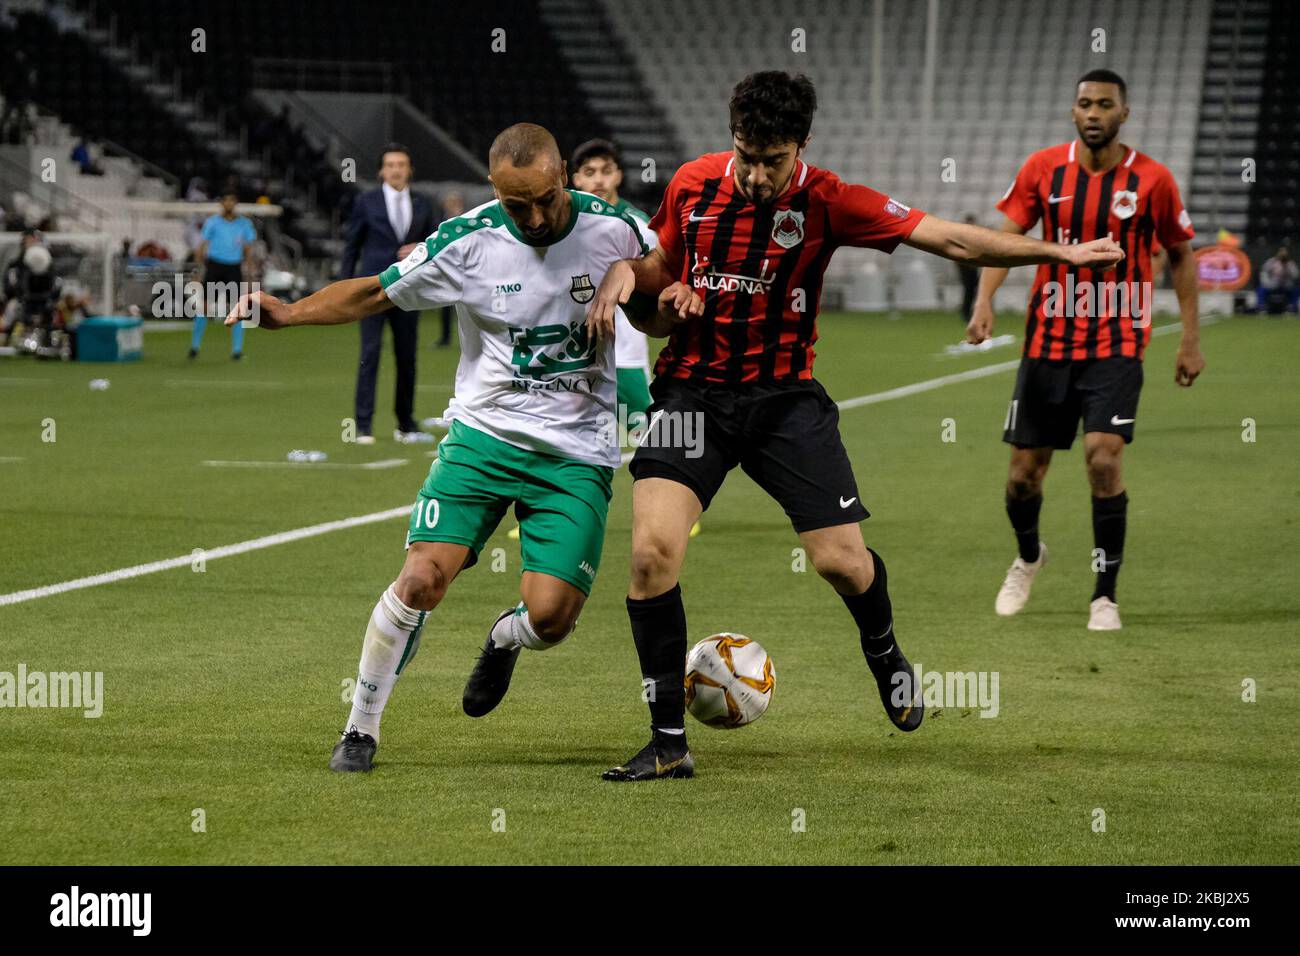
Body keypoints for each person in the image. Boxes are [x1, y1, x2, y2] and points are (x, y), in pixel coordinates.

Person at [586, 70, 1124, 781]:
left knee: (841, 562)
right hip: (693, 397)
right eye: (744, 154)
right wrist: (642, 287)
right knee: (652, 555)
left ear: (800, 147)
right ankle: (667, 743)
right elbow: (660, 288)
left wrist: (1058, 254)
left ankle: (885, 654)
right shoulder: (691, 184)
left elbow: (952, 241)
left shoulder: (829, 199)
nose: (753, 174)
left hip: (785, 403)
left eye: (770, 160)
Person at [224, 123, 690, 774]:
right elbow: (375, 290)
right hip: (482, 438)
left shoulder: (619, 229)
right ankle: (360, 727)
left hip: (577, 452)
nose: (531, 217)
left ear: (564, 175)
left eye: (544, 198)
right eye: (513, 203)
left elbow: (665, 300)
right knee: (420, 578)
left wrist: (655, 293)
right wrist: (289, 313)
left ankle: (505, 636)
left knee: (551, 619)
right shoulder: (468, 240)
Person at [968, 69, 1204, 631]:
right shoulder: (1042, 168)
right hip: (1048, 342)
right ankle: (1029, 556)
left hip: (1118, 340)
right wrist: (983, 303)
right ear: (1073, 112)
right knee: (1024, 476)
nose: (1093, 112)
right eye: (1084, 104)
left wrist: (1190, 339)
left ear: (1124, 114)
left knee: (1104, 456)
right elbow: (1005, 240)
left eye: (1104, 104)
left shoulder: (1154, 179)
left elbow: (1182, 255)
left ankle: (1105, 596)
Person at [339, 144, 437, 444]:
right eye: (391, 164)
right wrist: (345, 289)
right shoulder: (366, 201)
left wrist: (421, 246)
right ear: (382, 170)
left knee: (407, 357)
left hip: (409, 291)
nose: (396, 169)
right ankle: (364, 426)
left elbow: (437, 242)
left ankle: (405, 424)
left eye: (402, 164)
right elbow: (352, 246)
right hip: (373, 290)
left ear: (410, 169)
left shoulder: (423, 202)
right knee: (369, 355)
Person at [190, 189, 256, 360]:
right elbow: (202, 246)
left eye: (232, 200)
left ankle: (237, 350)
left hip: (234, 267)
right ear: (222, 203)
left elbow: (249, 250)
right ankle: (195, 346)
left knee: (236, 309)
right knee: (204, 306)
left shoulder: (244, 224)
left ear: (235, 203)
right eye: (226, 200)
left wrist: (249, 274)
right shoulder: (213, 222)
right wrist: (198, 270)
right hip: (215, 265)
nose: (229, 204)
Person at [435, 190, 465, 347]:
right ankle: (445, 337)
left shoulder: (467, 222)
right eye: (451, 204)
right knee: (446, 308)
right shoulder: (442, 224)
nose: (453, 207)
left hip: (465, 272)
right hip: (447, 271)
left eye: (456, 203)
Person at [1256, 246, 1299, 314]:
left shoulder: (1290, 263)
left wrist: (1287, 267)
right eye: (1281, 252)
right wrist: (1267, 283)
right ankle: (1261, 307)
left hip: (1286, 286)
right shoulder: (1271, 261)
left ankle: (1292, 307)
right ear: (1278, 253)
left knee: (1296, 290)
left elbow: (1296, 275)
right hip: (1273, 285)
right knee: (1260, 289)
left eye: (1284, 253)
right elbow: (1264, 271)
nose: (1283, 254)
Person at [957, 213, 981, 322]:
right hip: (965, 268)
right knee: (968, 291)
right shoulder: (962, 235)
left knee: (973, 291)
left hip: (972, 267)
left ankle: (972, 312)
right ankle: (966, 313)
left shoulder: (974, 236)